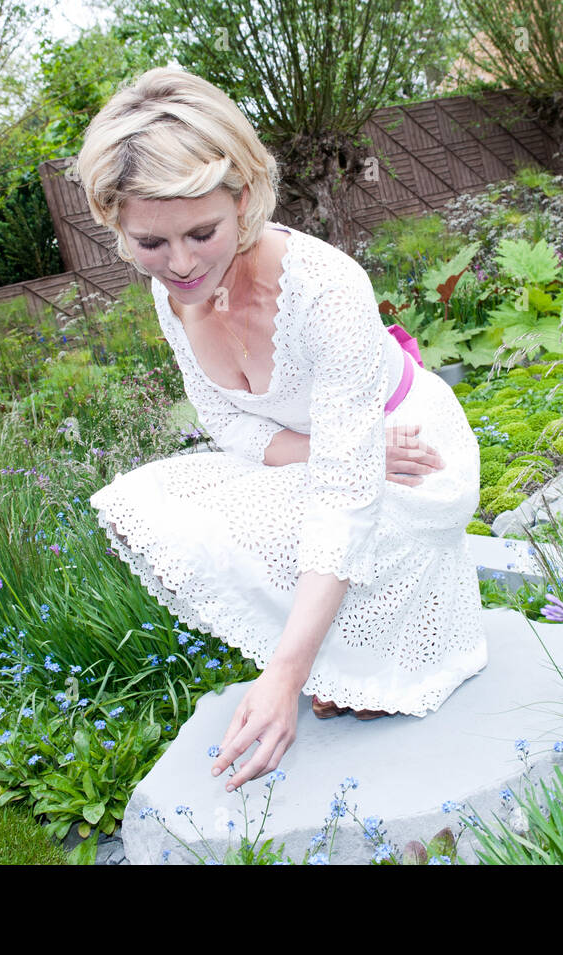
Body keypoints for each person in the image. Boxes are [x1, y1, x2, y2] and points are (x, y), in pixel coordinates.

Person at [78, 67, 487, 793]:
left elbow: (344, 495)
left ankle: (336, 659)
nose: (180, 264)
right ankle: (335, 654)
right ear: (118, 224)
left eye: (203, 232)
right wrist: (336, 451)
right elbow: (231, 425)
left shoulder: (325, 288)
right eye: (150, 242)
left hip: (415, 450)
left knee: (334, 517)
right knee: (153, 501)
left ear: (244, 198)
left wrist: (282, 676)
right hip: (333, 452)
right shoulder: (171, 293)